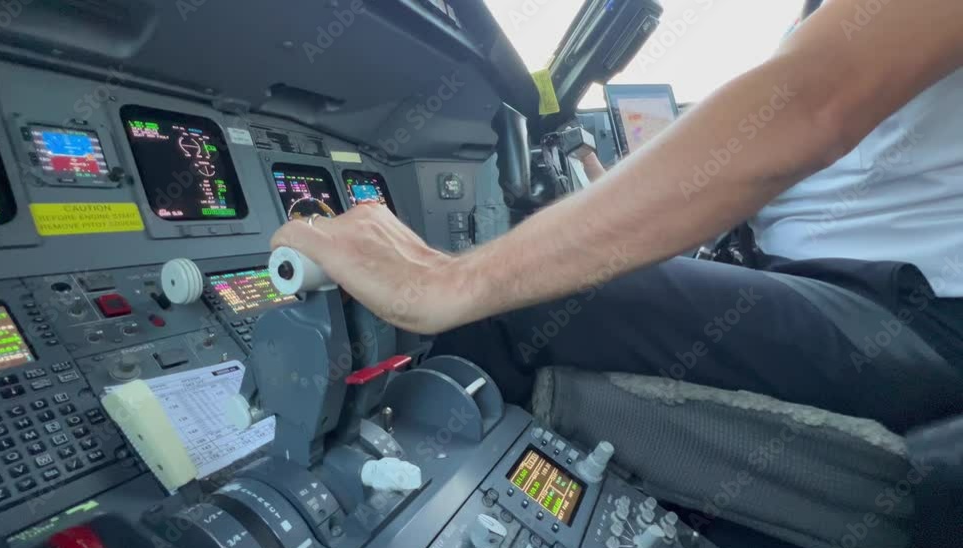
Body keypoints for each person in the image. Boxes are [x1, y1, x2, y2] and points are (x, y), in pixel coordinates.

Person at [271, 0, 963, 434]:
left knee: (504, 314)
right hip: (845, 289)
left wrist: (453, 282)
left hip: (907, 314)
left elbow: (814, 100)